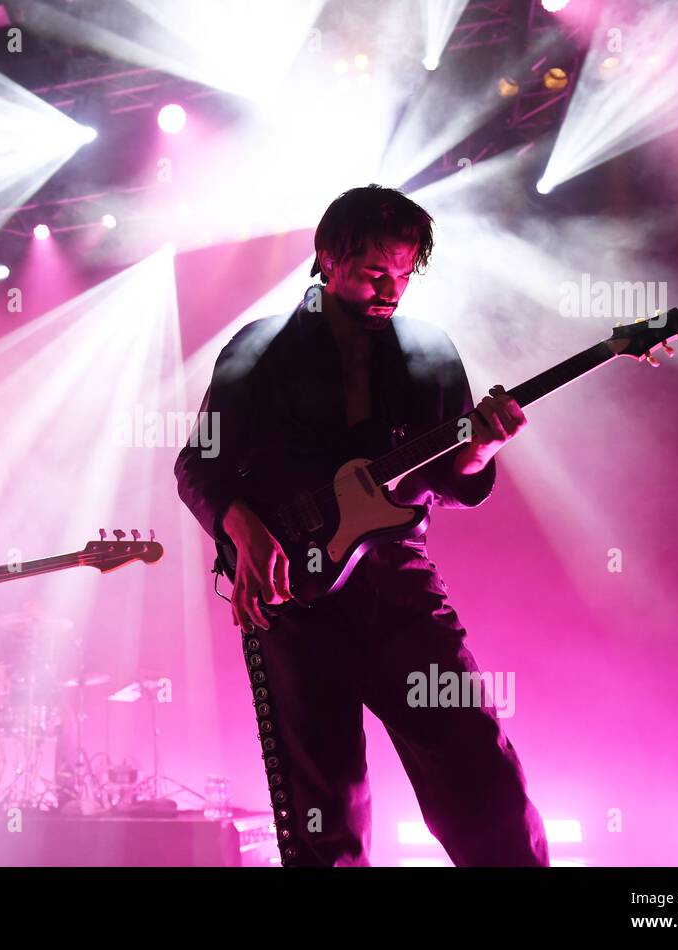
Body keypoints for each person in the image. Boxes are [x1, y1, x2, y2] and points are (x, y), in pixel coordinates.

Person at [175, 185, 549, 866]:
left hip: (398, 589)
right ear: (329, 256)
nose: (392, 288)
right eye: (377, 271)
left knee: (479, 774)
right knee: (325, 808)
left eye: (405, 273)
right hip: (293, 605)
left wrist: (482, 448)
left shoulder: (427, 352)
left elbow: (451, 481)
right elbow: (198, 466)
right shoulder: (259, 348)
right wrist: (244, 532)